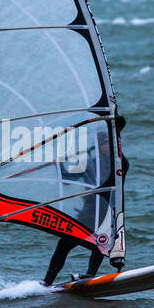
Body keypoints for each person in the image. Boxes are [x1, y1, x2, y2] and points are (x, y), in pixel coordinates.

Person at [40, 114, 130, 286]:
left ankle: (89, 275)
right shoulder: (90, 162)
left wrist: (114, 126)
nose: (107, 147)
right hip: (88, 211)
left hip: (106, 211)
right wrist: (59, 163)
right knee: (64, 245)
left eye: (108, 143)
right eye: (103, 144)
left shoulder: (120, 163)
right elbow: (67, 178)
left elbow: (121, 123)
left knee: (100, 242)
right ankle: (46, 282)